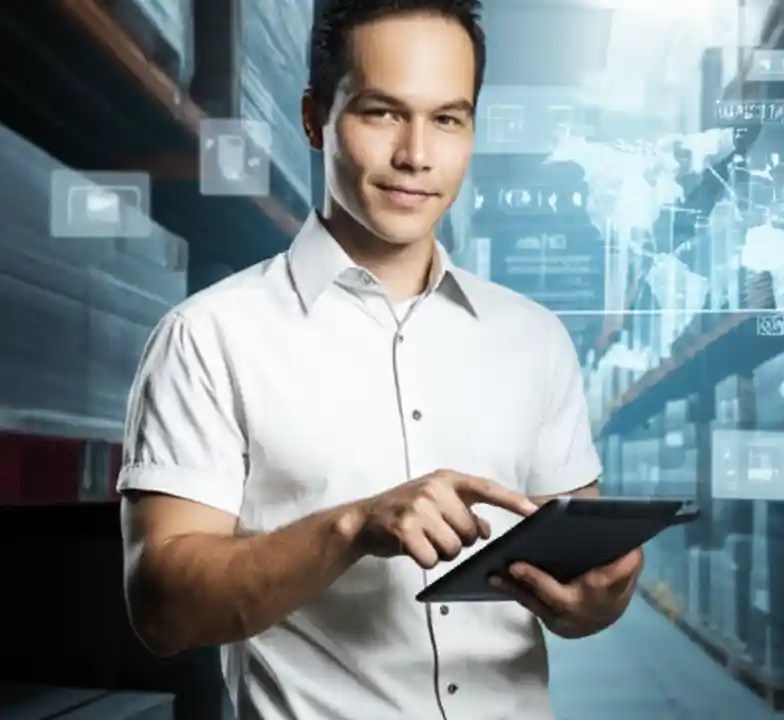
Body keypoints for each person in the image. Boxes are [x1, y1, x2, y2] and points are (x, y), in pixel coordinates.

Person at [117, 1, 642, 718]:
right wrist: (354, 527)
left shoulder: (535, 339)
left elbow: (582, 591)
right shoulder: (209, 337)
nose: (416, 155)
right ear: (314, 118)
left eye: (447, 119)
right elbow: (162, 611)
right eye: (382, 113)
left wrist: (596, 602)